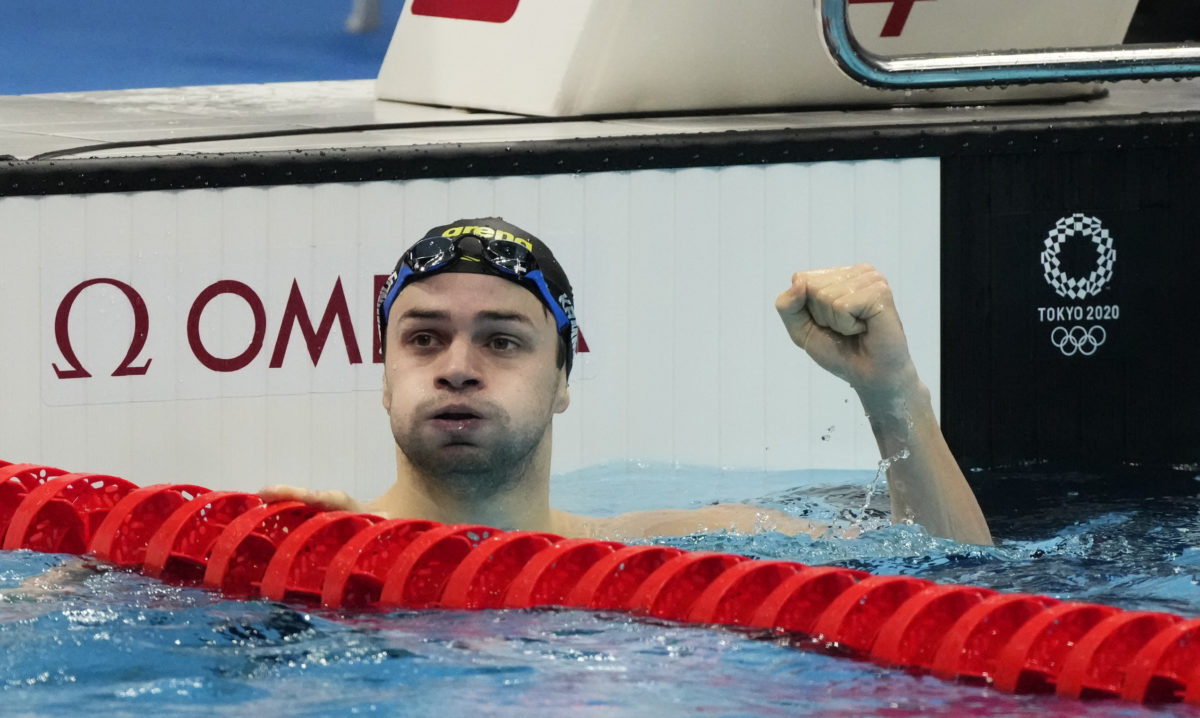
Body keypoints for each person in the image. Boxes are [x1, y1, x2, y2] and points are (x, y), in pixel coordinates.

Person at [261, 217, 992, 545]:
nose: (456, 367)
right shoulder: (314, 548)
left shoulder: (685, 548)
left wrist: (890, 392)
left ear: (562, 382)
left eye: (502, 341)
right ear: (385, 380)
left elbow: (952, 588)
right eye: (423, 338)